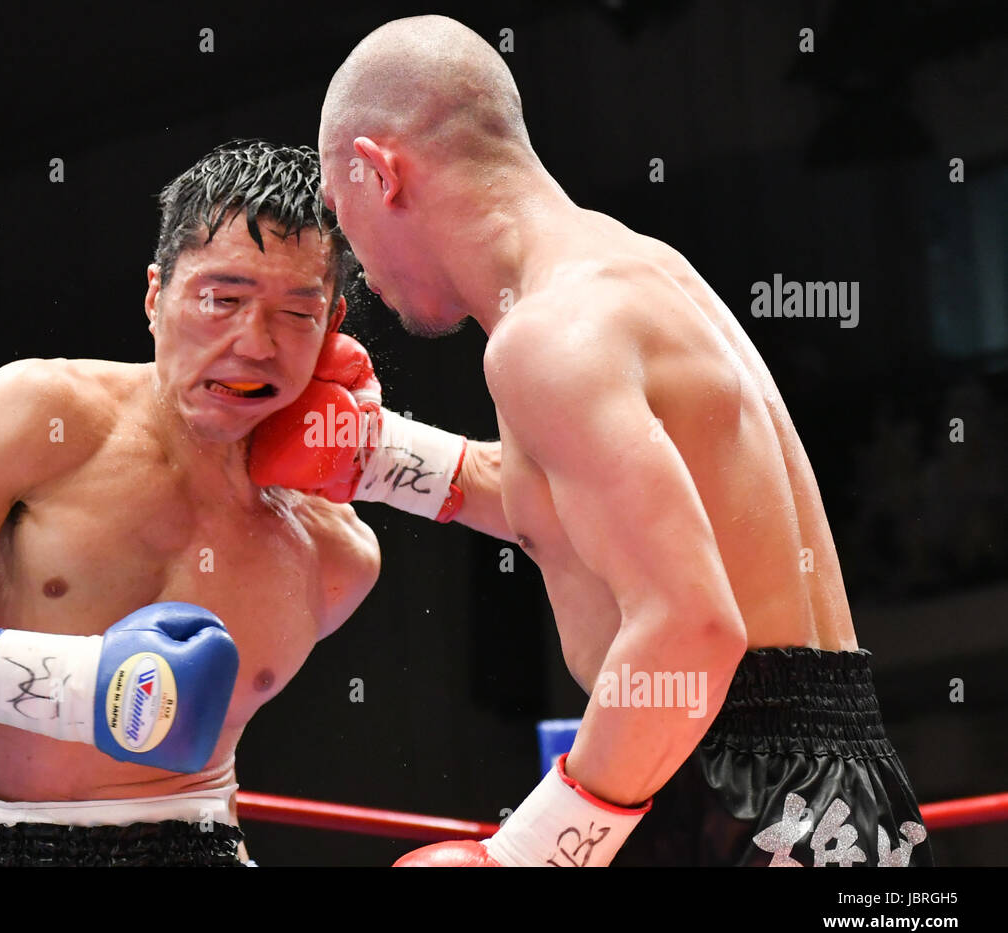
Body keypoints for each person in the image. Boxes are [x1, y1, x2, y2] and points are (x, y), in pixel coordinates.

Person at [312, 16, 932, 866]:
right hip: (834, 786)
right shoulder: (634, 272)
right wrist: (376, 455)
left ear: (380, 173)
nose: (360, 270)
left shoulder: (546, 339)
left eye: (343, 222)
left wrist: (525, 855)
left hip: (731, 789)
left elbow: (691, 627)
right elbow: (578, 509)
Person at [0, 140, 498, 866]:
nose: (253, 343)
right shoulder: (43, 418)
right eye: (221, 299)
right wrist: (79, 688)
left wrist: (386, 457)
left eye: (296, 313)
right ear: (155, 297)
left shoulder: (336, 555)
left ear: (332, 328)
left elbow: (573, 492)